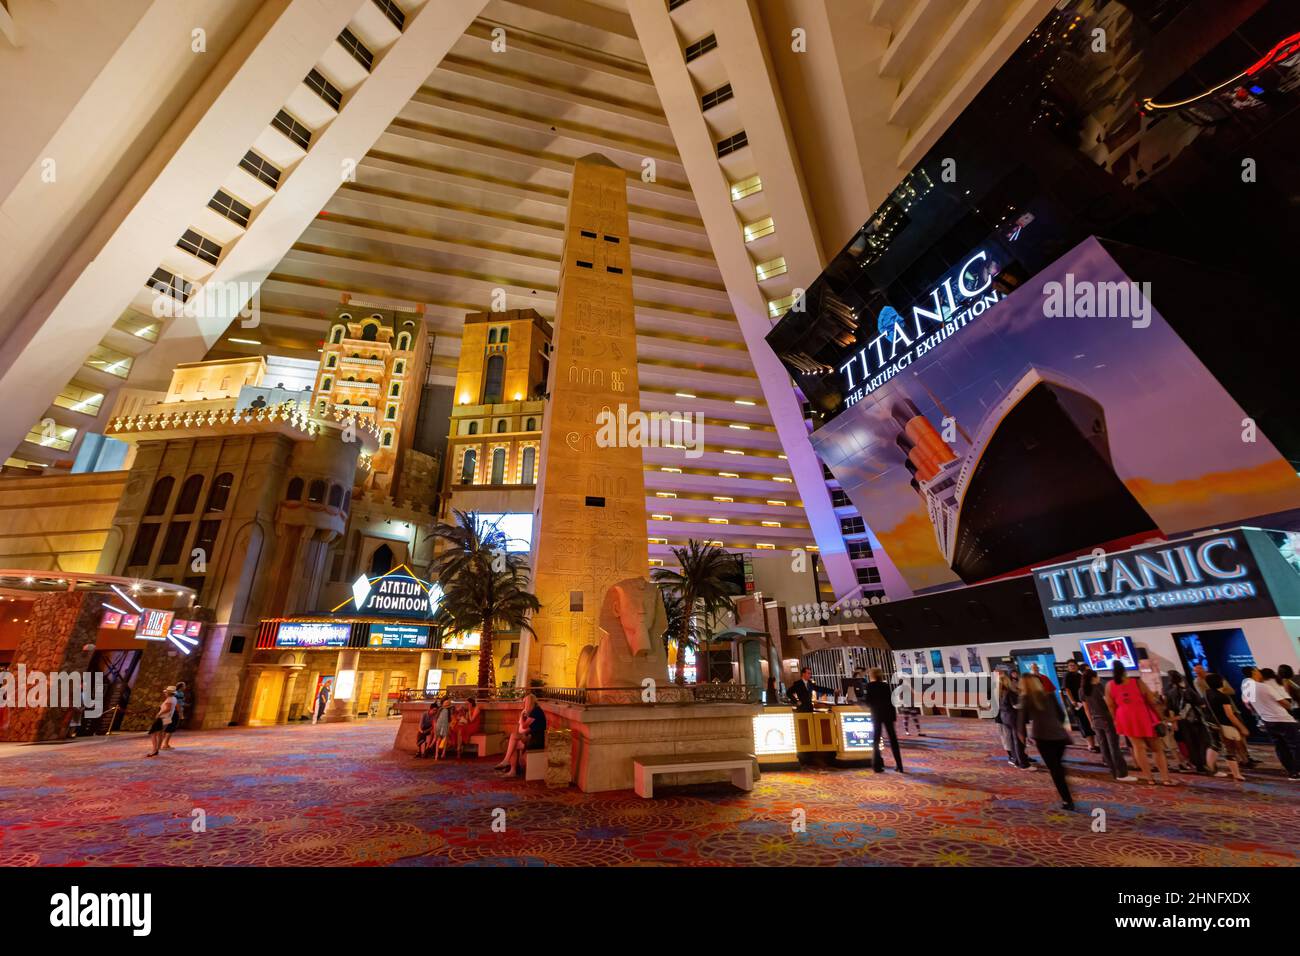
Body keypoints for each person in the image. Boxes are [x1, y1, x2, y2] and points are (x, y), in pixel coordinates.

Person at [1105, 662, 1174, 786]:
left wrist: (1116, 720)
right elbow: (1151, 700)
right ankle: (1165, 778)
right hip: (1143, 714)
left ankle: (1149, 778)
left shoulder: (1109, 685)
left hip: (1125, 717)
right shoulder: (1136, 682)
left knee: (1138, 747)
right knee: (1157, 748)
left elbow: (1110, 706)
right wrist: (1161, 716)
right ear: (1125, 671)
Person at [1017, 673, 1074, 810]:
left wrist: (1022, 738)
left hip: (1043, 736)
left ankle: (1067, 800)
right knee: (1057, 766)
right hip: (1060, 736)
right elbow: (1061, 715)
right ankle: (1066, 794)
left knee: (1054, 769)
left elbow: (1021, 722)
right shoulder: (1049, 695)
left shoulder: (1025, 698)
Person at [1081, 666, 1134, 781]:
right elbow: (1110, 704)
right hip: (1107, 719)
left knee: (1104, 746)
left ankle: (1113, 772)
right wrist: (1115, 719)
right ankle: (1122, 774)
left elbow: (1086, 709)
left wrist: (1091, 722)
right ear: (1094, 678)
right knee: (1114, 747)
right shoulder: (1100, 687)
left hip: (1095, 720)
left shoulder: (1082, 690)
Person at [1251, 668, 1300, 779]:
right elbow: (1285, 703)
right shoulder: (1266, 687)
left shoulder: (1248, 689)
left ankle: (1292, 772)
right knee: (1296, 746)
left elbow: (1251, 707)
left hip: (1268, 721)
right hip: (1283, 719)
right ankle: (1297, 770)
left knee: (1281, 747)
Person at [1202, 673, 1247, 781]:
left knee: (1215, 745)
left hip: (1211, 723)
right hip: (1225, 725)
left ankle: (1211, 769)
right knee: (1230, 749)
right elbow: (1230, 715)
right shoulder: (1222, 697)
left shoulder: (1206, 693)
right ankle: (1236, 774)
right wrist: (1241, 727)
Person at [1165, 671, 1210, 774]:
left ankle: (1196, 763)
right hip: (1194, 720)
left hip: (1181, 721)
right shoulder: (1189, 691)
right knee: (1201, 741)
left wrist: (1174, 722)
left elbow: (1170, 709)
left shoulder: (1170, 692)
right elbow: (1201, 704)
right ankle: (1203, 763)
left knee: (1190, 743)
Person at [496, 693, 546, 776]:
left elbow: (524, 725)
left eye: (525, 702)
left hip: (537, 740)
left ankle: (506, 760)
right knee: (514, 744)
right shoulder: (535, 711)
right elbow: (529, 729)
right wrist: (521, 734)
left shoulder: (536, 711)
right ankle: (513, 771)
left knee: (513, 735)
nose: (524, 704)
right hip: (532, 737)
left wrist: (522, 716)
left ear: (529, 702)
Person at [863, 667, 903, 773]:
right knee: (893, 740)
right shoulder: (885, 685)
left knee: (876, 740)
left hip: (877, 714)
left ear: (871, 675)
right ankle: (900, 765)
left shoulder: (869, 686)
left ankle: (877, 766)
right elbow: (891, 701)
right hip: (888, 714)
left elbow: (868, 702)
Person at [995, 671, 1032, 769]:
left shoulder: (999, 692)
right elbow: (1016, 705)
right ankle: (1023, 763)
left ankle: (1016, 760)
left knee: (1012, 740)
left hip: (1004, 717)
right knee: (1018, 740)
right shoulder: (1009, 692)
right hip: (1012, 717)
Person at [1061, 660, 1098, 753]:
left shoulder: (1080, 675)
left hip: (1085, 701)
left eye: (1074, 665)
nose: (1072, 667)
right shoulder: (1067, 675)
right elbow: (1067, 689)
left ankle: (1093, 743)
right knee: (1084, 723)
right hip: (1077, 703)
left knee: (1090, 722)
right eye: (1070, 665)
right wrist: (1073, 701)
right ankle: (1091, 745)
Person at [145, 687, 177, 757]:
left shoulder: (169, 699)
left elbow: (168, 709)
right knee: (160, 733)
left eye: (166, 692)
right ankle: (157, 749)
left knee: (152, 732)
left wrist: (159, 714)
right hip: (168, 718)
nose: (165, 693)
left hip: (162, 718)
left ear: (168, 693)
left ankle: (154, 749)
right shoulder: (174, 699)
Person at [160, 681, 186, 751]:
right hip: (174, 713)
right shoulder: (178, 694)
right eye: (184, 686)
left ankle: (160, 744)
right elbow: (178, 705)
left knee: (166, 728)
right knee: (170, 728)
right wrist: (181, 713)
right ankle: (165, 744)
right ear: (181, 687)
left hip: (170, 713)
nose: (185, 687)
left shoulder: (171, 697)